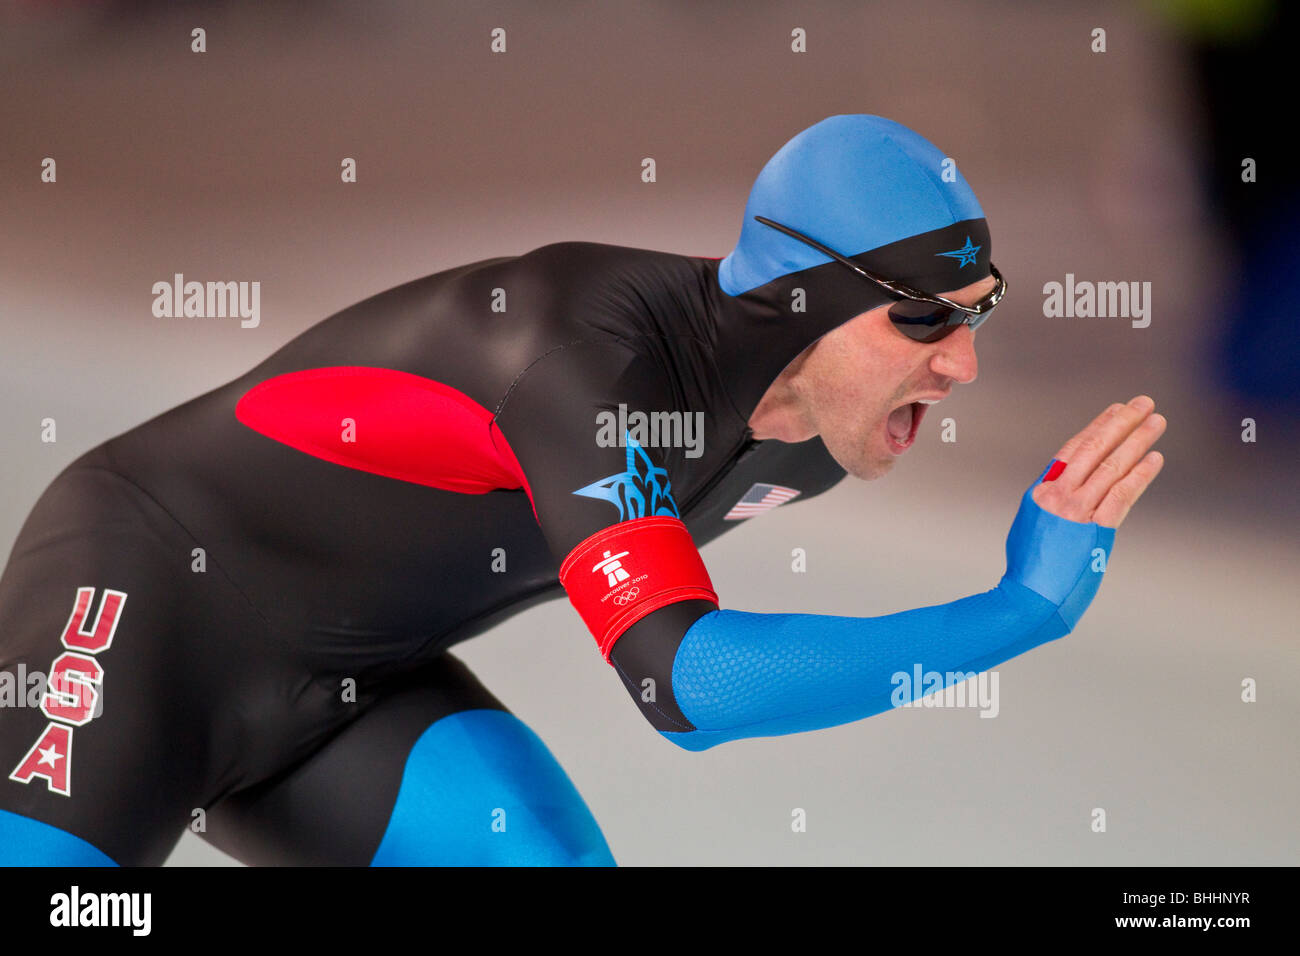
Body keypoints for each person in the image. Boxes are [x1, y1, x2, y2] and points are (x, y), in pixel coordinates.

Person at [0, 115, 1164, 866]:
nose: (960, 365)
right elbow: (686, 687)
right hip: (138, 601)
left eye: (978, 314)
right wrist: (1019, 608)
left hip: (347, 687)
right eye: (922, 317)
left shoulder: (818, 433)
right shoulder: (583, 358)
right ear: (802, 297)